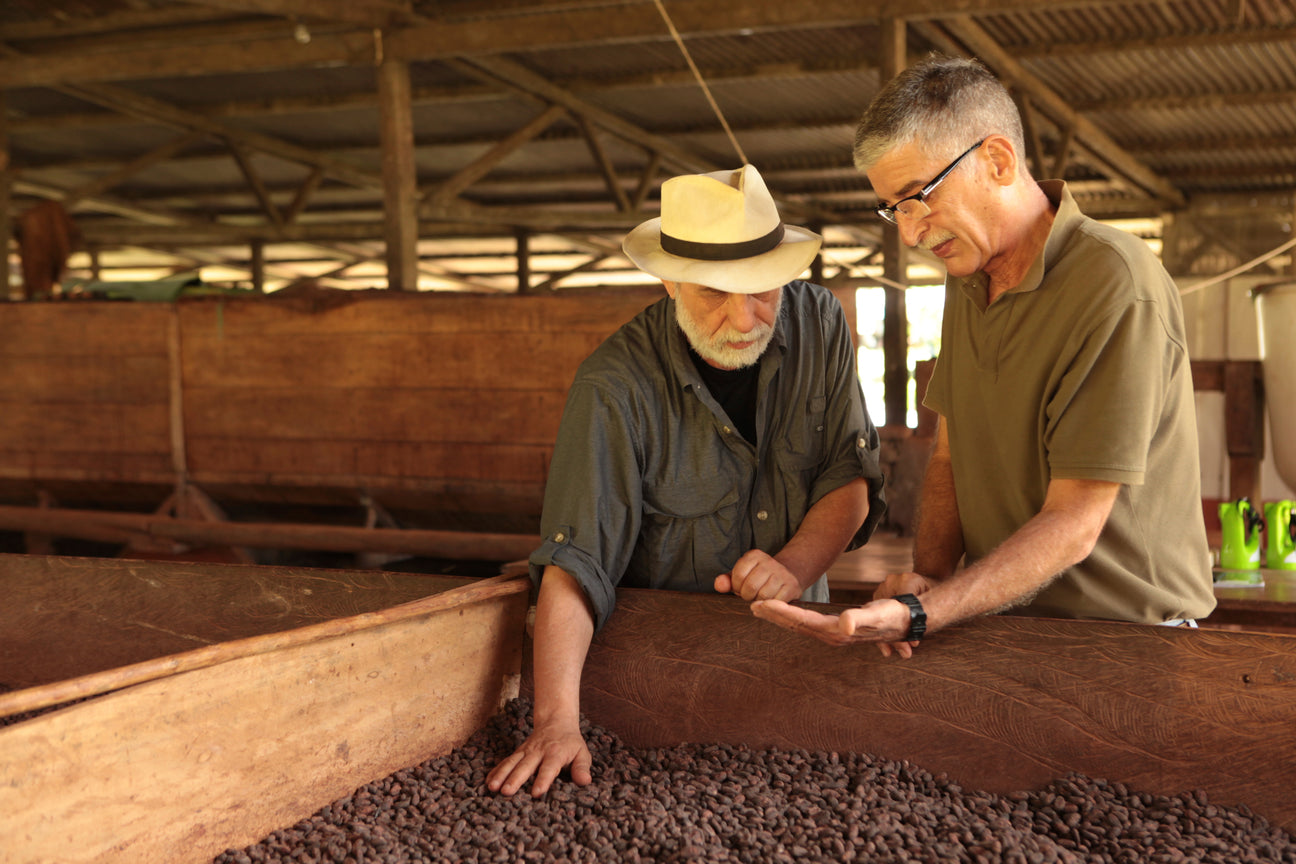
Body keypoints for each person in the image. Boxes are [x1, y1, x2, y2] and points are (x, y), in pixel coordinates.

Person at [753, 55, 1216, 655]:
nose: (910, 233)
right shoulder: (967, 273)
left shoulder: (1115, 282)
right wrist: (928, 579)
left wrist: (922, 614)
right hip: (1007, 628)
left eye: (918, 197)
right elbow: (950, 449)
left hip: (1128, 644)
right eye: (894, 209)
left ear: (997, 160)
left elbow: (1075, 522)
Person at [487, 163, 887, 796]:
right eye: (712, 292)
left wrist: (794, 566)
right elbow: (577, 560)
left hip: (800, 657)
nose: (744, 317)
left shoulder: (822, 326)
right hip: (662, 683)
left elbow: (848, 475)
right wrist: (558, 721)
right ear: (670, 281)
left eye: (762, 289)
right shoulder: (614, 387)